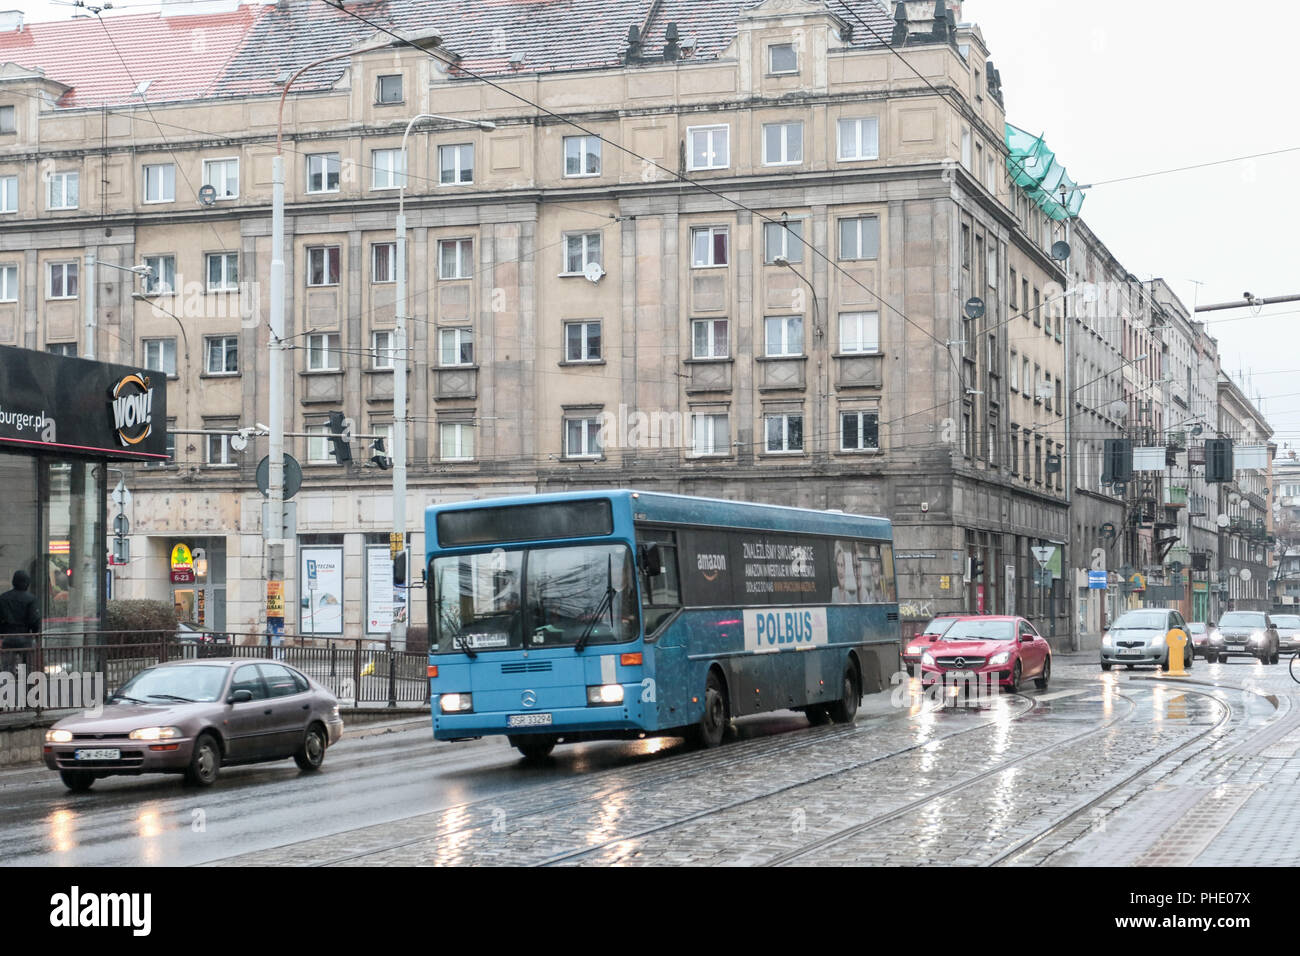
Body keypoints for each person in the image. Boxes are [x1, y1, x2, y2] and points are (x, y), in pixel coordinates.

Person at [0, 570, 41, 669]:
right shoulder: (31, 599)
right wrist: (35, 633)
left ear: (13, 582)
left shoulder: (3, 598)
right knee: (29, 666)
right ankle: (28, 683)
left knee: (7, 667)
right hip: (25, 636)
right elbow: (34, 619)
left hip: (7, 636)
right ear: (27, 583)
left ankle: (8, 683)